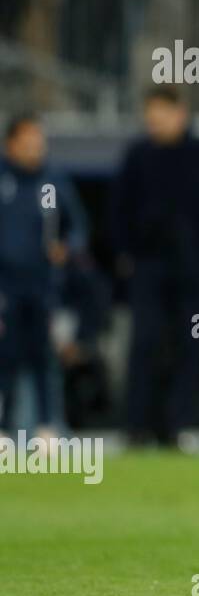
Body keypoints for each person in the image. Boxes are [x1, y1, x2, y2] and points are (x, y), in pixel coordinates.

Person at [111, 85, 199, 448]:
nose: (156, 122)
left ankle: (176, 425)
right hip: (150, 272)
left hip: (196, 276)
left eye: (162, 114)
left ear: (180, 114)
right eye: (150, 115)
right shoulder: (138, 156)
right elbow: (119, 212)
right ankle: (137, 427)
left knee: (192, 343)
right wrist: (128, 256)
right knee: (145, 343)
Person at [0, 113, 88, 434]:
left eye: (38, 141)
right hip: (5, 287)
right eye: (27, 142)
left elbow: (75, 226)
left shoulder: (51, 182)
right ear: (11, 144)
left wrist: (66, 246)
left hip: (43, 285)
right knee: (5, 359)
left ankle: (46, 426)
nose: (34, 148)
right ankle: (4, 429)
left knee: (43, 359)